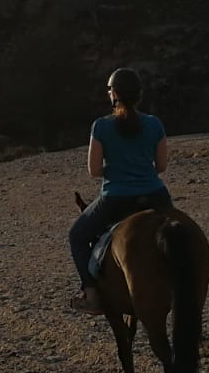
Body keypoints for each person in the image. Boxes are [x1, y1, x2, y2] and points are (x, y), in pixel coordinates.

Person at [67, 67, 171, 313]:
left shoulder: (101, 126)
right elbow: (162, 166)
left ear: (113, 94)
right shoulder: (155, 123)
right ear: (139, 95)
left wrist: (117, 169)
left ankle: (91, 294)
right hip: (155, 195)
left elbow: (93, 170)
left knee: (77, 236)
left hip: (116, 198)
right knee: (178, 235)